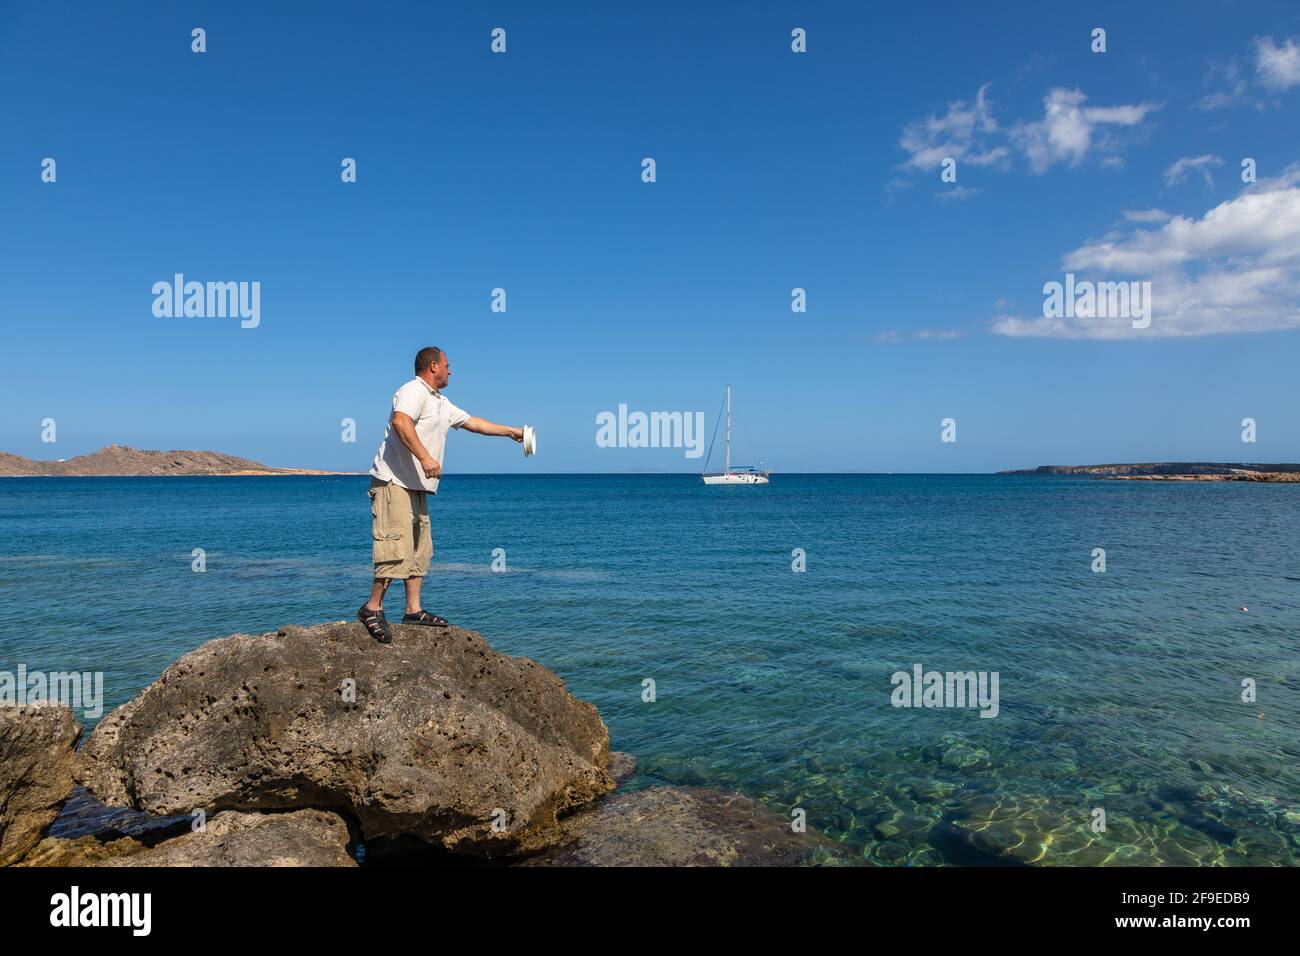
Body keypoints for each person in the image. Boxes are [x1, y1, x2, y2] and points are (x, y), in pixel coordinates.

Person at [358, 346, 523, 643]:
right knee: (395, 546)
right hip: (393, 481)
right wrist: (425, 457)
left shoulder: (441, 402)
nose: (451, 370)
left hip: (418, 485)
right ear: (433, 366)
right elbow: (400, 421)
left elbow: (473, 423)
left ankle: (413, 610)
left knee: (420, 549)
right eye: (448, 365)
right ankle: (372, 608)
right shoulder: (413, 390)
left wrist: (510, 431)